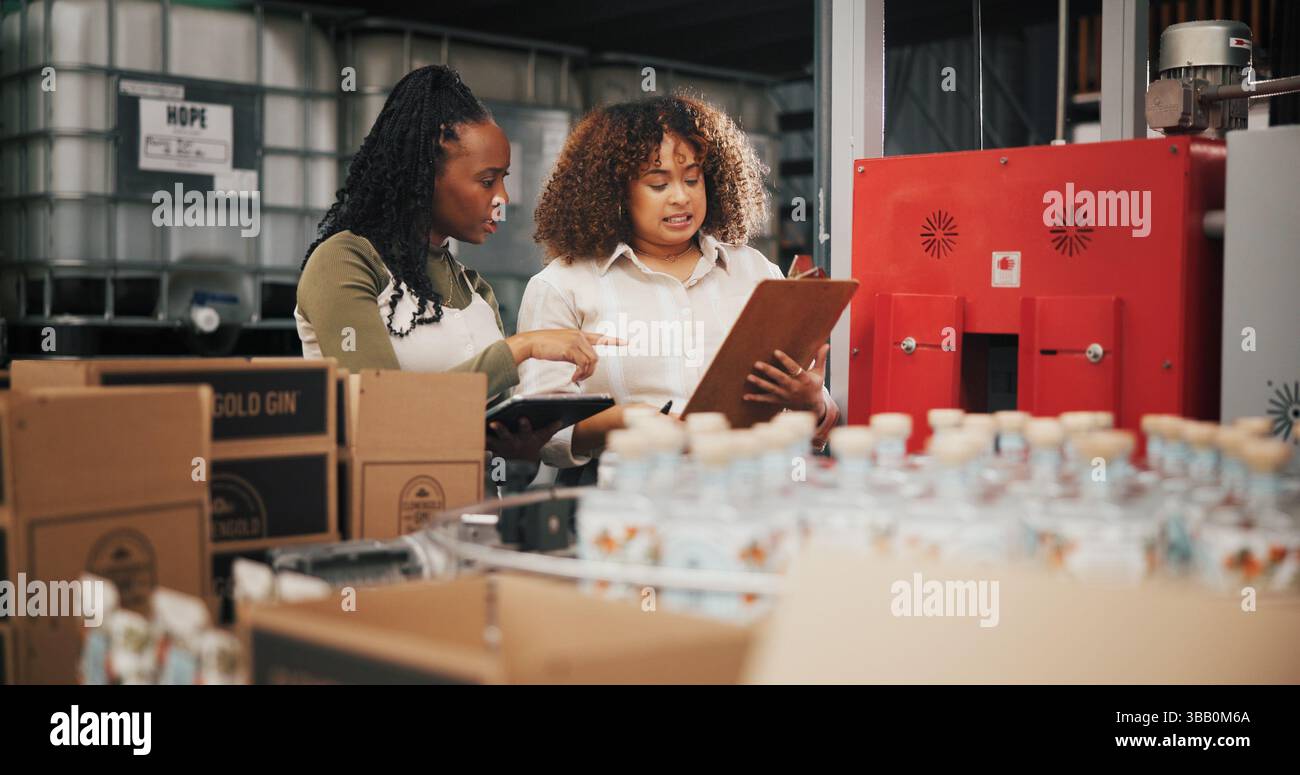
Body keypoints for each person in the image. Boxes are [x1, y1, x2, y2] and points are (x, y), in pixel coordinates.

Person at [295, 65, 610, 462]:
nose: (502, 198)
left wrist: (517, 439)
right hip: (384, 516)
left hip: (474, 515)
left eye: (504, 179)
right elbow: (376, 411)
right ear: (425, 175)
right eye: (486, 180)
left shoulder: (473, 288)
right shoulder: (344, 261)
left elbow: (468, 423)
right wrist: (521, 348)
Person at [518, 94, 839, 470]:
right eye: (658, 185)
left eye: (692, 179)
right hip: (622, 501)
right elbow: (540, 432)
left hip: (750, 493)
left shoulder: (755, 272)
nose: (681, 197)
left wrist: (812, 402)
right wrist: (625, 421)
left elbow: (817, 425)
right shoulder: (562, 286)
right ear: (615, 192)